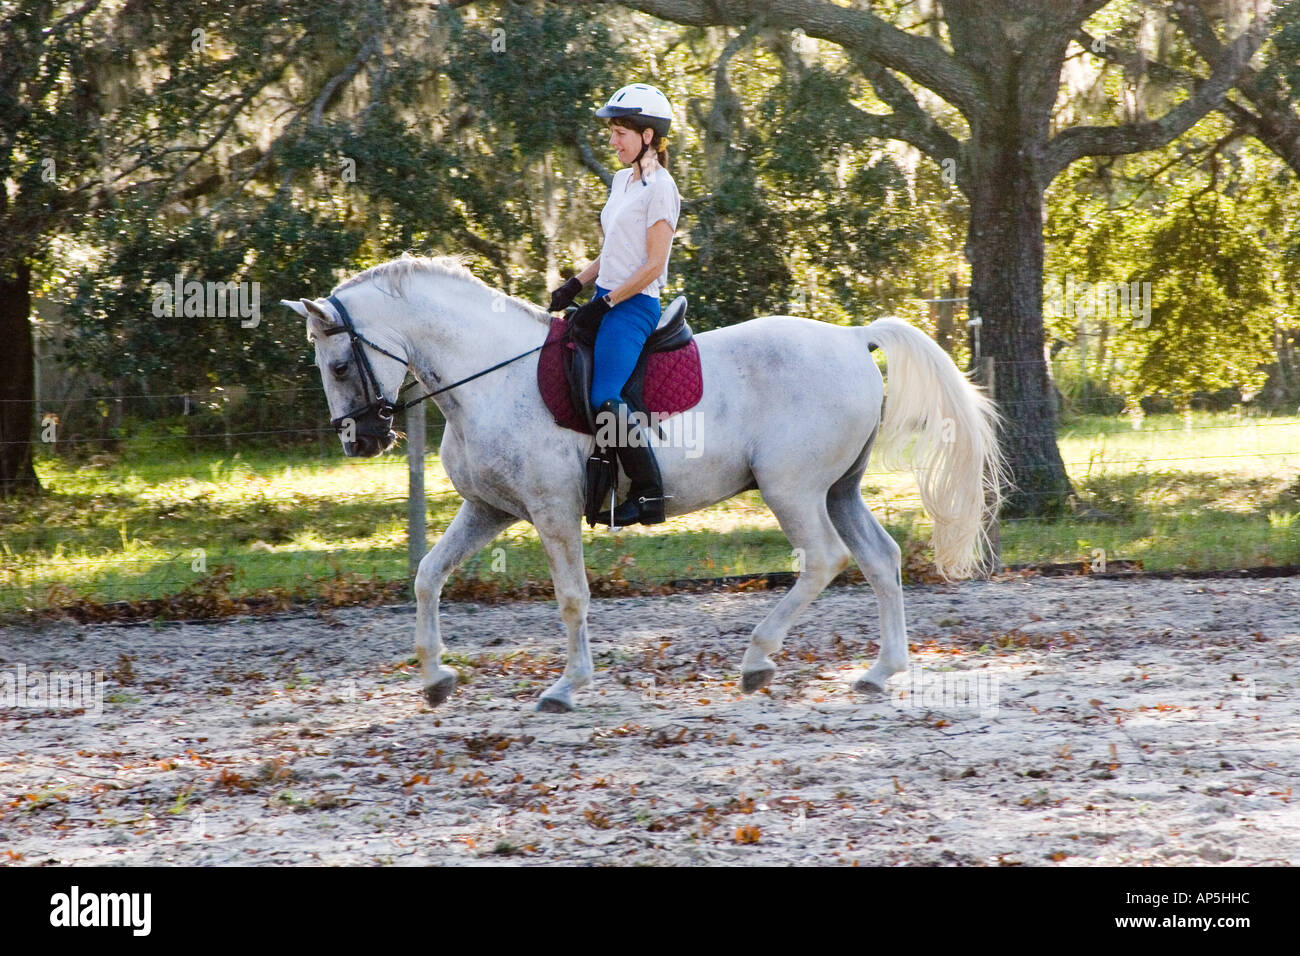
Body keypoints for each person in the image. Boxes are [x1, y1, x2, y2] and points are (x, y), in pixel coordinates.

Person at [548, 83, 682, 526]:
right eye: (612, 131)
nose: (612, 140)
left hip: (634, 306)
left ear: (648, 136)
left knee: (605, 395)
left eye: (620, 132)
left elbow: (652, 264)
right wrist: (574, 285)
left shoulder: (662, 188)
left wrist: (605, 303)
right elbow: (616, 250)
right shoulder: (623, 180)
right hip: (605, 298)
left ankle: (649, 493)